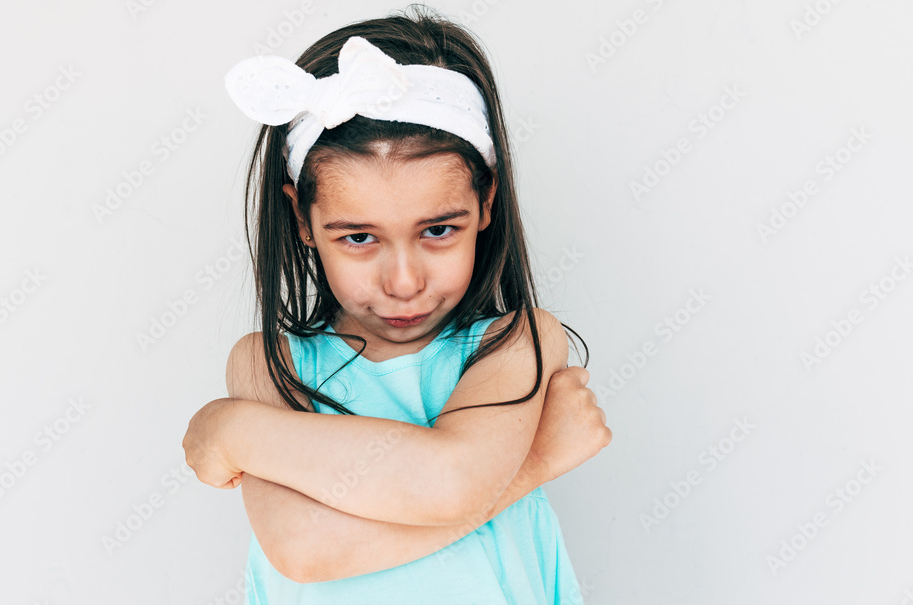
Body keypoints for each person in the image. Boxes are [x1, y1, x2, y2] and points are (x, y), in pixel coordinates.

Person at [182, 6, 611, 603]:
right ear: (303, 220)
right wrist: (534, 463)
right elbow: (305, 548)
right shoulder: (270, 365)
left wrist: (229, 429)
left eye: (437, 230)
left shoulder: (516, 343)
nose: (404, 282)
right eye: (359, 237)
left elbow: (452, 482)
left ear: (485, 203)